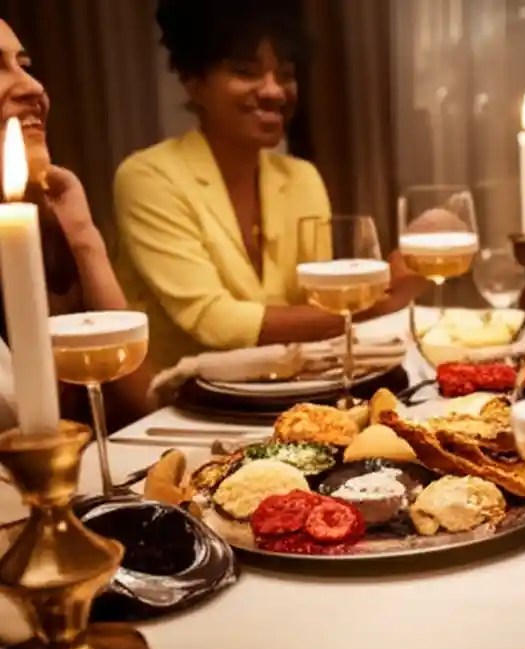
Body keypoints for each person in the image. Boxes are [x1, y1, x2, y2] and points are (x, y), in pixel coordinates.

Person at [113, 0, 424, 372]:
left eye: (286, 74)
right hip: (183, 406)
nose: (274, 91)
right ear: (193, 82)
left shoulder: (301, 179)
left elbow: (320, 308)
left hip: (291, 393)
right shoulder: (149, 177)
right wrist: (379, 300)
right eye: (247, 72)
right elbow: (215, 322)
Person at [0, 17, 152, 430]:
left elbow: (138, 396)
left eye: (24, 64)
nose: (33, 87)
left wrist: (85, 240)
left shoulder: (35, 227)